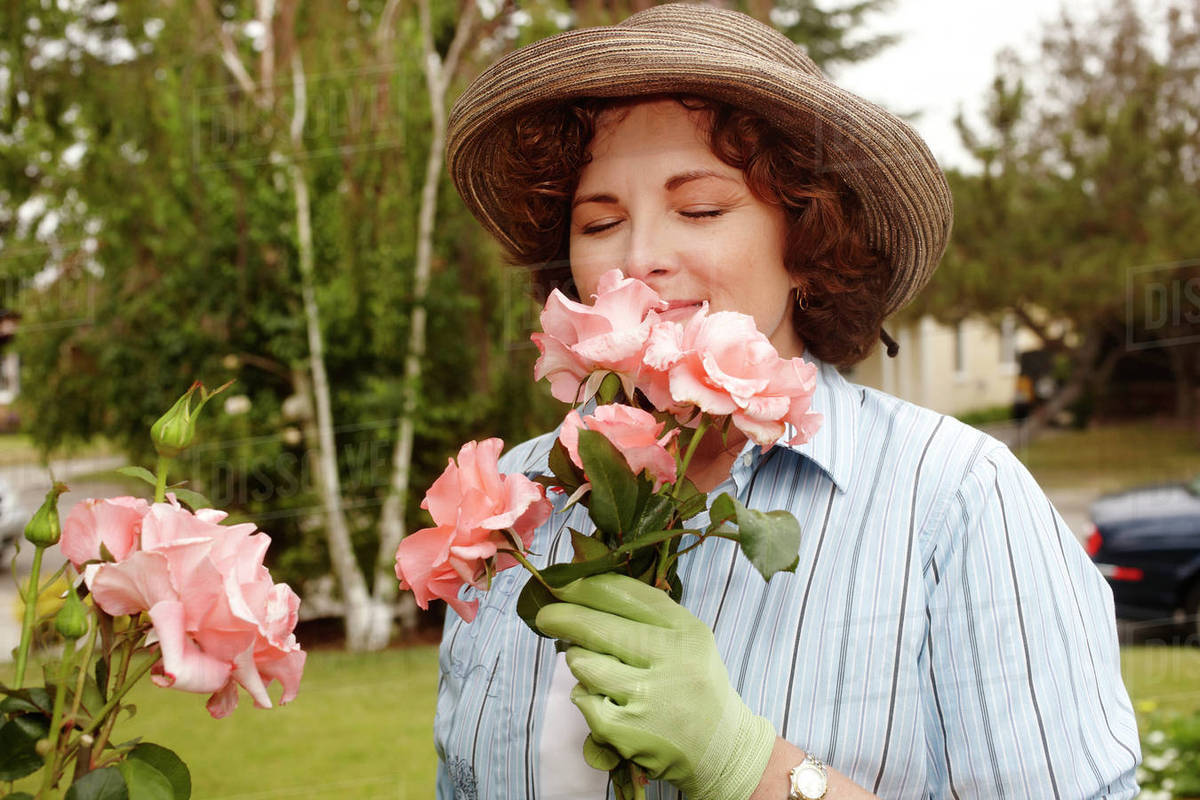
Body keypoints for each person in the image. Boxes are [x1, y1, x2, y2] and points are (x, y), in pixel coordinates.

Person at [435, 5, 1141, 798]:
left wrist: (746, 762)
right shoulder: (512, 507)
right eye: (601, 221)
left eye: (700, 209)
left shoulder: (957, 499)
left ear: (806, 243)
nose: (638, 260)